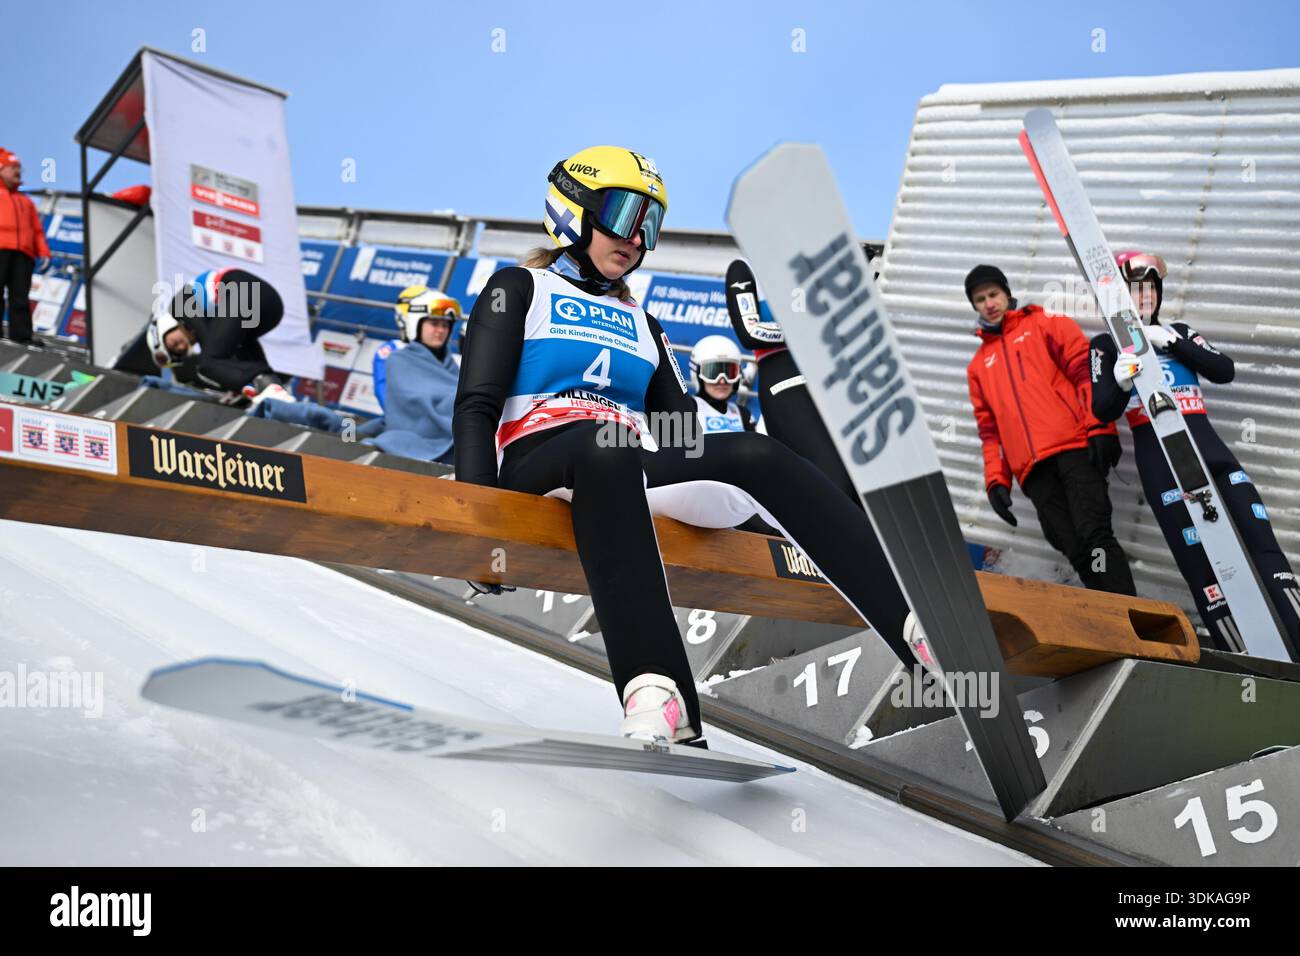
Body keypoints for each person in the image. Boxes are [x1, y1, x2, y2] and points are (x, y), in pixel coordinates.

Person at [453, 145, 914, 745]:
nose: (636, 238)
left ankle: (910, 626)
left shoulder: (644, 325)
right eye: (623, 216)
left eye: (651, 226)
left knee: (752, 453)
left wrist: (712, 474)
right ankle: (655, 687)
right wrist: (475, 521)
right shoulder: (518, 289)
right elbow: (477, 404)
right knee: (607, 444)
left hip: (621, 464)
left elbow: (681, 435)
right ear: (573, 210)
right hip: (539, 459)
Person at [1090, 251, 1300, 652]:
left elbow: (1224, 370)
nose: (1144, 296)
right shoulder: (1105, 344)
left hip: (1214, 457)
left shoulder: (1179, 331)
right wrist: (1119, 381)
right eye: (1134, 290)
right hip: (1164, 470)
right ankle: (1248, 664)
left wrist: (1171, 341)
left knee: (1266, 550)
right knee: (1205, 573)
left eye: (1150, 288)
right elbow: (1101, 409)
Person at [964, 264, 1135, 595]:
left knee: (1094, 534)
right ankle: (1113, 625)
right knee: (1072, 546)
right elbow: (990, 433)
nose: (989, 303)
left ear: (1006, 293)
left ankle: (1132, 614)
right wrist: (996, 481)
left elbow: (1086, 376)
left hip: (1073, 449)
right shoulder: (977, 367)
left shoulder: (1046, 325)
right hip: (1032, 472)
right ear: (974, 305)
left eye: (994, 294)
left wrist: (1101, 427)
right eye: (980, 298)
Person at [144, 268, 292, 403]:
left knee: (207, 364)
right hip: (271, 305)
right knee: (238, 344)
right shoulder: (207, 316)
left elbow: (210, 347)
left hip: (244, 293)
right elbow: (227, 348)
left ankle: (262, 383)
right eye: (180, 351)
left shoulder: (179, 306)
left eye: (174, 343)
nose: (182, 346)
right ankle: (271, 387)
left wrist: (230, 380)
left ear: (165, 328)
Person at [368, 285, 461, 464]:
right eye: (434, 323)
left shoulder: (451, 365)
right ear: (416, 325)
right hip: (420, 439)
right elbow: (414, 400)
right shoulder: (398, 360)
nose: (440, 330)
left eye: (445, 325)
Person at [0, 149, 50, 345]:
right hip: (1, 248)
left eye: (19, 168)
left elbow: (37, 231)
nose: (17, 171)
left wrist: (44, 252)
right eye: (13, 167)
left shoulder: (26, 202)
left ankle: (22, 337)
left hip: (23, 254)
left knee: (20, 298)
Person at [688, 334, 756, 435]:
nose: (722, 381)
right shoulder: (688, 408)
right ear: (697, 373)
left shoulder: (744, 415)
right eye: (713, 373)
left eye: (730, 373)